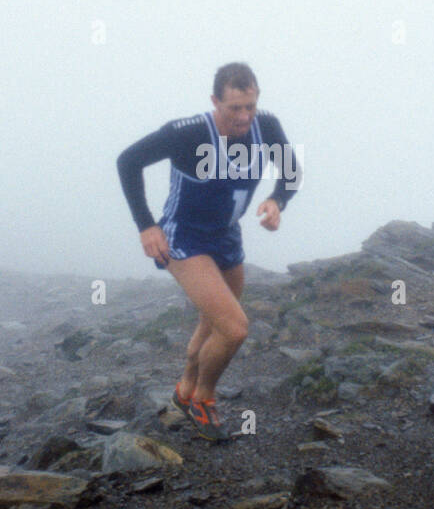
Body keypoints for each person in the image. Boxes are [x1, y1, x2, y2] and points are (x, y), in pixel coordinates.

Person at [116, 63, 300, 441]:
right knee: (233, 329)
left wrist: (277, 200)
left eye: (250, 105)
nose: (244, 116)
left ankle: (184, 388)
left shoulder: (267, 127)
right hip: (183, 238)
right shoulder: (189, 133)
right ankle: (203, 397)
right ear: (215, 101)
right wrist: (145, 225)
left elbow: (292, 172)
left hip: (226, 237)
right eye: (235, 108)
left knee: (213, 320)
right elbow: (128, 161)